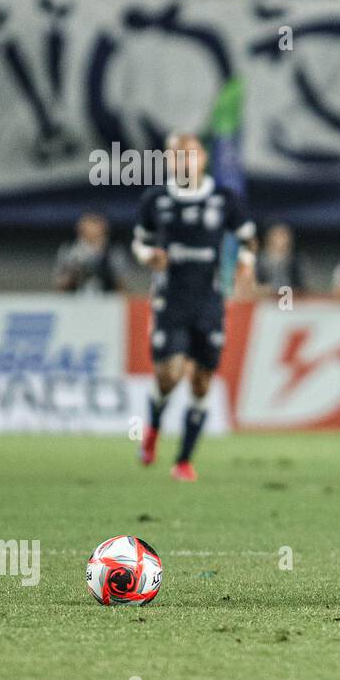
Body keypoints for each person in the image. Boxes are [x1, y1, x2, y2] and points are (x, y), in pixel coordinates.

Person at [131, 133, 257, 481]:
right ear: (169, 161)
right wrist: (148, 255)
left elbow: (248, 238)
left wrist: (245, 263)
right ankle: (153, 427)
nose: (184, 162)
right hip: (170, 301)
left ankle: (183, 460)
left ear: (202, 159)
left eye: (190, 155)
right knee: (169, 375)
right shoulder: (156, 199)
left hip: (209, 302)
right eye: (177, 156)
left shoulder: (224, 198)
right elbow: (139, 241)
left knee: (202, 382)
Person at [54, 213, 128, 294]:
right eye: (89, 223)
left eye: (96, 222)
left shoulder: (113, 251)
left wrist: (104, 268)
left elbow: (122, 285)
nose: (92, 228)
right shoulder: (69, 250)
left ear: (104, 226)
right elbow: (60, 285)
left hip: (106, 300)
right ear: (80, 227)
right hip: (74, 300)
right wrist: (75, 270)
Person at [255, 223, 308, 296]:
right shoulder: (259, 260)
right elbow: (255, 284)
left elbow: (302, 285)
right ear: (269, 237)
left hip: (292, 300)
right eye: (277, 236)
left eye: (284, 236)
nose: (281, 240)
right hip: (265, 300)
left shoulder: (296, 260)